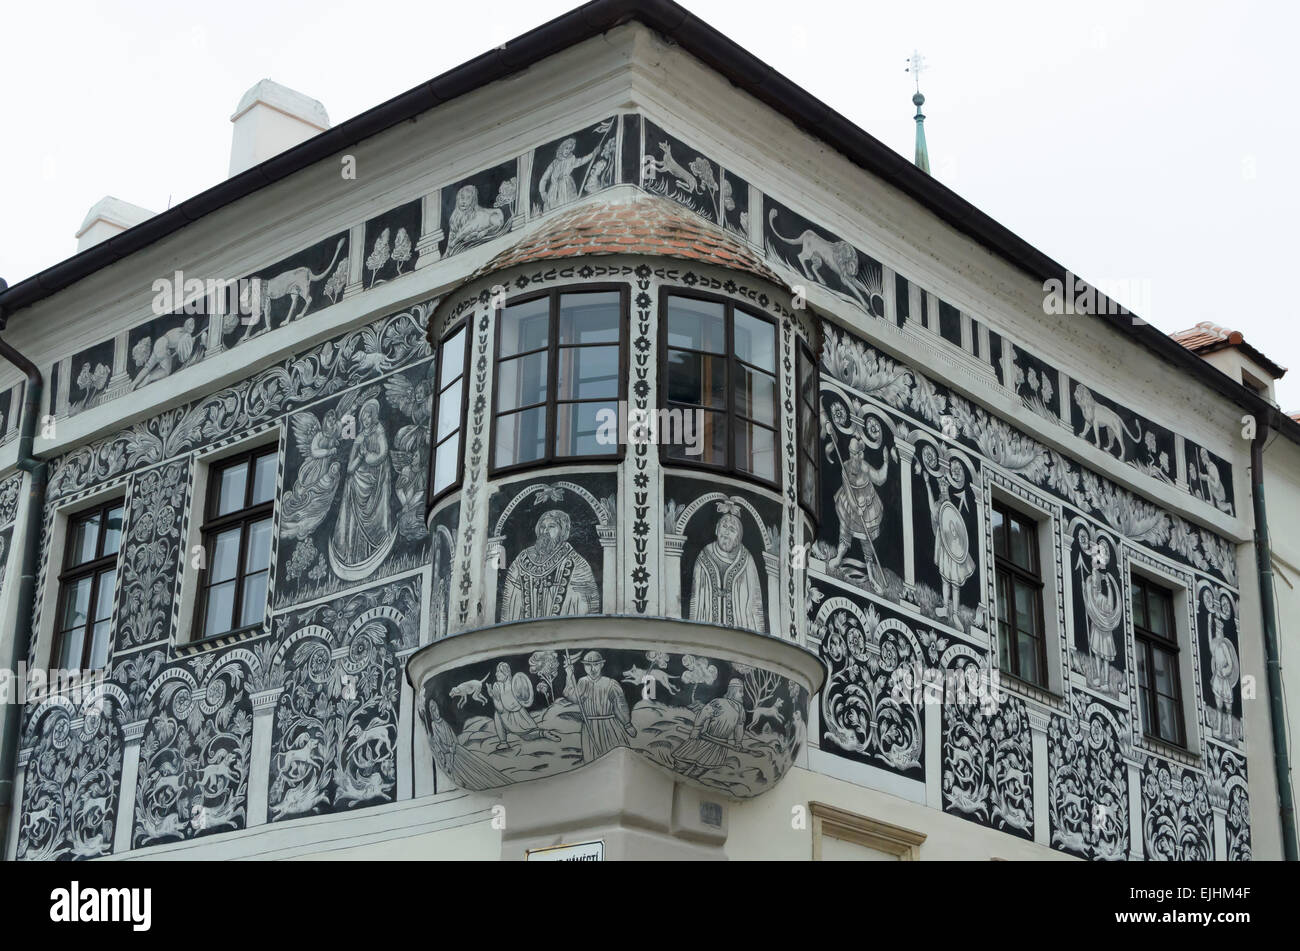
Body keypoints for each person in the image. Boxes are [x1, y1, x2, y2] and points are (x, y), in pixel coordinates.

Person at [500, 509, 600, 621]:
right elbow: (510, 607)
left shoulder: (577, 565)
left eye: (551, 526)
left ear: (562, 532)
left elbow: (586, 609)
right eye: (542, 527)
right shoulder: (522, 560)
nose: (545, 531)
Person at [331, 400, 395, 572]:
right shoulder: (358, 438)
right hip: (359, 482)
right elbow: (350, 469)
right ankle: (354, 554)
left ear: (374, 417)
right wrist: (361, 457)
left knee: (374, 512)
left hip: (376, 483)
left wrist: (370, 458)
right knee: (351, 490)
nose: (366, 421)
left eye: (369, 417)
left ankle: (375, 546)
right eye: (364, 419)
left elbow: (383, 454)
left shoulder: (379, 431)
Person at [828, 437, 892, 586]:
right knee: (845, 529)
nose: (856, 457)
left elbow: (879, 479)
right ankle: (839, 558)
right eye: (853, 453)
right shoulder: (845, 468)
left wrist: (886, 462)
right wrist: (856, 507)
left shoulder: (865, 467)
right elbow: (848, 492)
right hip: (851, 505)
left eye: (858, 453)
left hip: (869, 505)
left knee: (866, 536)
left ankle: (870, 572)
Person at [689, 508, 765, 631]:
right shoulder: (704, 555)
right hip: (707, 630)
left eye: (732, 530)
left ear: (738, 537)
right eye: (724, 527)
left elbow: (755, 603)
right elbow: (695, 598)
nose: (726, 533)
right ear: (716, 529)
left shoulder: (747, 559)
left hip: (740, 632)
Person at [562, 650, 636, 763]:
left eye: (595, 664)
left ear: (602, 664)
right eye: (588, 665)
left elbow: (620, 705)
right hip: (590, 727)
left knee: (615, 757)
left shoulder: (610, 683)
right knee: (592, 761)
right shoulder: (583, 682)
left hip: (609, 727)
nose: (592, 669)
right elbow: (572, 696)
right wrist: (568, 674)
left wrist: (627, 724)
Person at [425, 700, 509, 790]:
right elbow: (439, 742)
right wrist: (448, 749)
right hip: (450, 753)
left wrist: (454, 745)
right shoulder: (434, 725)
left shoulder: (444, 723)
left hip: (456, 749)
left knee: (472, 765)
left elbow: (452, 736)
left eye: (436, 709)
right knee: (464, 773)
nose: (436, 712)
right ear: (431, 712)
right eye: (433, 710)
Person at [673, 679, 745, 779]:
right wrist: (696, 730)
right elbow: (703, 714)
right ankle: (677, 775)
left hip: (719, 745)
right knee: (684, 761)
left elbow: (739, 726)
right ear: (733, 691)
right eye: (740, 691)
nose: (742, 695)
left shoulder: (740, 709)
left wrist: (738, 742)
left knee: (701, 768)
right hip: (704, 739)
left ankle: (690, 778)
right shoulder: (718, 702)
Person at [1081, 536, 1123, 688]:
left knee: (1104, 657)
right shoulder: (1094, 597)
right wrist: (1086, 587)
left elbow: (1111, 607)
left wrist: (1109, 586)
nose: (1095, 586)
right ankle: (1098, 676)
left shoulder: (1103, 598)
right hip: (1098, 628)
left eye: (1096, 584)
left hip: (1105, 630)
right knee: (1098, 654)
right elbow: (1090, 599)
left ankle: (1105, 680)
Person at [485, 662, 547, 752]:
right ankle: (543, 733)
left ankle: (503, 743)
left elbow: (500, 709)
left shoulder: (497, 686)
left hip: (508, 718)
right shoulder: (515, 684)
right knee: (527, 736)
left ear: (506, 673)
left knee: (497, 714)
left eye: (499, 671)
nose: (496, 673)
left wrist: (493, 696)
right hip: (521, 716)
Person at [538, 137, 597, 211]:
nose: (568, 151)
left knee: (570, 208)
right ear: (562, 148)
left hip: (567, 186)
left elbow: (581, 161)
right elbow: (544, 179)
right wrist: (543, 192)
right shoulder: (554, 163)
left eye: (570, 148)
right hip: (555, 190)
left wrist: (593, 154)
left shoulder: (571, 160)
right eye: (566, 148)